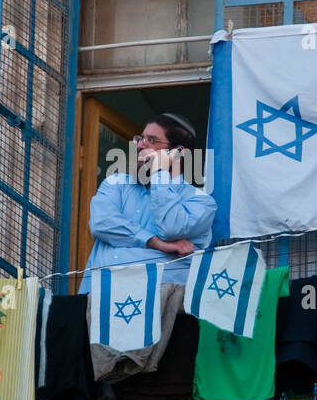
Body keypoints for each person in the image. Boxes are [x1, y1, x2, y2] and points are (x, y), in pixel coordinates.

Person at [78, 112, 216, 293]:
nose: (140, 145)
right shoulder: (116, 183)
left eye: (151, 140)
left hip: (162, 308)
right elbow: (101, 224)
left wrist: (160, 172)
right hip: (98, 299)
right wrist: (157, 243)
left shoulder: (201, 201)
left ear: (177, 153)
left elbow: (171, 228)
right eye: (140, 138)